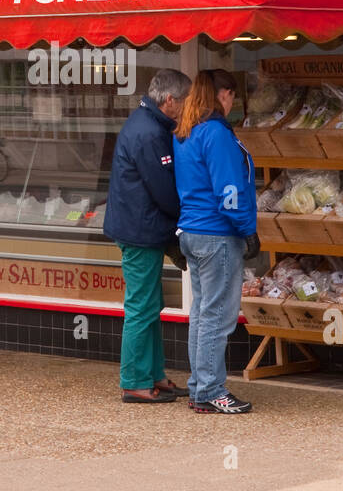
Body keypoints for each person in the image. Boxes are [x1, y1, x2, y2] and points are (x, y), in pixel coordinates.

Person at [104, 68, 193, 404]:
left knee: (151, 305)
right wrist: (189, 215)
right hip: (140, 231)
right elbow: (164, 191)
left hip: (142, 227)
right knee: (142, 307)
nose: (186, 109)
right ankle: (134, 382)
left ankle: (154, 374)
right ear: (169, 101)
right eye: (184, 102)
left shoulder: (148, 123)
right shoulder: (149, 133)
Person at [173, 69, 259, 414]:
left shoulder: (185, 132)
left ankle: (199, 386)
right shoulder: (216, 134)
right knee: (218, 316)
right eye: (231, 94)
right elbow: (229, 190)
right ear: (220, 94)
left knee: (201, 313)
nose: (233, 101)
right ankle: (209, 389)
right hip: (217, 234)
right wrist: (246, 229)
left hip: (193, 231)